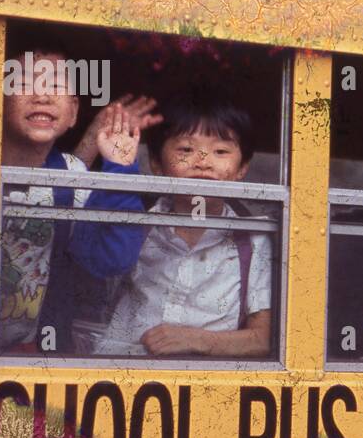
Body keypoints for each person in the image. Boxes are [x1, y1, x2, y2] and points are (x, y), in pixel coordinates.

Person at [0, 44, 148, 353]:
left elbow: (110, 260)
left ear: (73, 112)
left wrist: (119, 168)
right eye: (24, 83)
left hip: (32, 351)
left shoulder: (71, 172)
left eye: (56, 85)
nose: (42, 96)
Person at [94, 96, 273, 357]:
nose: (202, 161)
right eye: (185, 150)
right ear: (156, 163)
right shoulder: (136, 223)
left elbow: (265, 339)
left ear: (242, 169)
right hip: (117, 376)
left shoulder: (255, 241)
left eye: (220, 151)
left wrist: (197, 339)